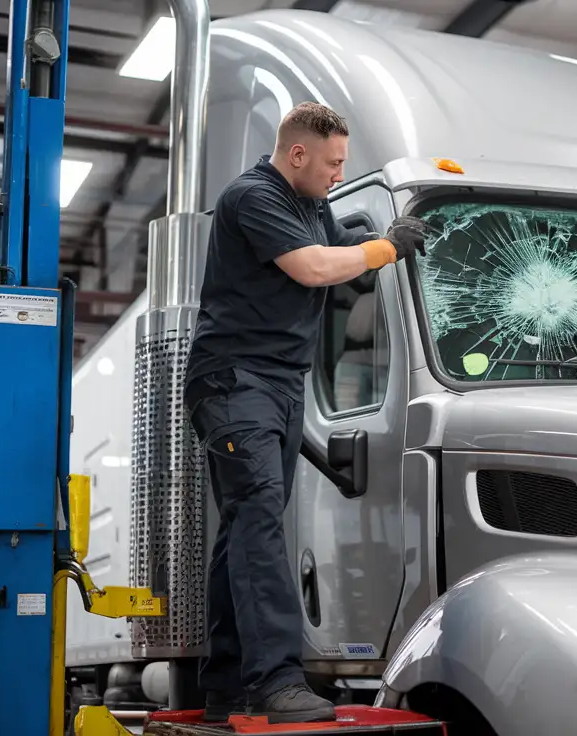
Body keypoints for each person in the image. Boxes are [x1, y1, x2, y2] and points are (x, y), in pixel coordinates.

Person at [182, 101, 426, 724]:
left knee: (244, 528)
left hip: (280, 386)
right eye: (334, 163)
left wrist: (392, 238)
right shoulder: (252, 197)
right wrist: (384, 252)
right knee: (261, 521)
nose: (339, 174)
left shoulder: (310, 206)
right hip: (237, 381)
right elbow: (317, 267)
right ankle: (277, 681)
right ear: (298, 154)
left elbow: (343, 245)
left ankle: (227, 683)